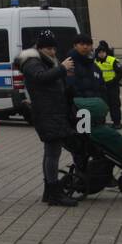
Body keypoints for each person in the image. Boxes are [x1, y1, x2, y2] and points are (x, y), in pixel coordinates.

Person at [19, 31, 80, 207]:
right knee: (53, 153)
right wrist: (61, 68)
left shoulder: (46, 61)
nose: (52, 51)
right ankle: (54, 193)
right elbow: (41, 78)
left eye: (54, 48)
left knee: (51, 152)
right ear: (39, 48)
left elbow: (53, 81)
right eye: (48, 48)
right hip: (46, 112)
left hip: (54, 111)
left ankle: (49, 191)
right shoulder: (32, 62)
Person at [96, 41, 122, 128]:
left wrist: (113, 81)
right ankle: (101, 123)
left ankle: (117, 123)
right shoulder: (95, 62)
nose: (101, 54)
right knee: (102, 105)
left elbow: (121, 73)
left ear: (106, 52)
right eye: (99, 52)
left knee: (114, 105)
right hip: (102, 87)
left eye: (103, 52)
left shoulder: (112, 60)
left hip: (112, 86)